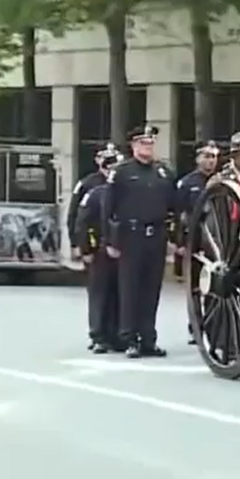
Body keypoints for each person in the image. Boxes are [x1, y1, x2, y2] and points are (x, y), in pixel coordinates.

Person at [101, 125, 178, 358]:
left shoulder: (163, 172)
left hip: (156, 235)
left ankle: (148, 338)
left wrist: (174, 238)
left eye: (150, 143)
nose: (148, 147)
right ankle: (130, 338)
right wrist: (110, 241)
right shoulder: (122, 172)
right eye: (143, 143)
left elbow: (173, 207)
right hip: (130, 235)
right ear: (133, 146)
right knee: (130, 289)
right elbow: (108, 208)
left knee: (151, 290)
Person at [75, 146, 123, 353]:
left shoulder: (125, 192)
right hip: (98, 250)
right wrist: (83, 248)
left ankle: (116, 334)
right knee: (99, 294)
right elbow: (80, 221)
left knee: (119, 294)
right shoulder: (93, 190)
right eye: (109, 167)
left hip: (121, 252)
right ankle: (98, 335)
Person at [176, 140, 219, 344]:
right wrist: (180, 243)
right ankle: (195, 326)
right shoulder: (187, 183)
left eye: (213, 156)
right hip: (194, 242)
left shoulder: (221, 182)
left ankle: (212, 326)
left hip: (216, 243)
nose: (210, 161)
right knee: (195, 288)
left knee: (213, 287)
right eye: (206, 156)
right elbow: (178, 215)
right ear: (197, 158)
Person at [67, 144, 120, 263]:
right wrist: (76, 243)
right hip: (95, 241)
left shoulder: (124, 181)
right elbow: (74, 214)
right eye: (103, 157)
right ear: (97, 159)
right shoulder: (87, 183)